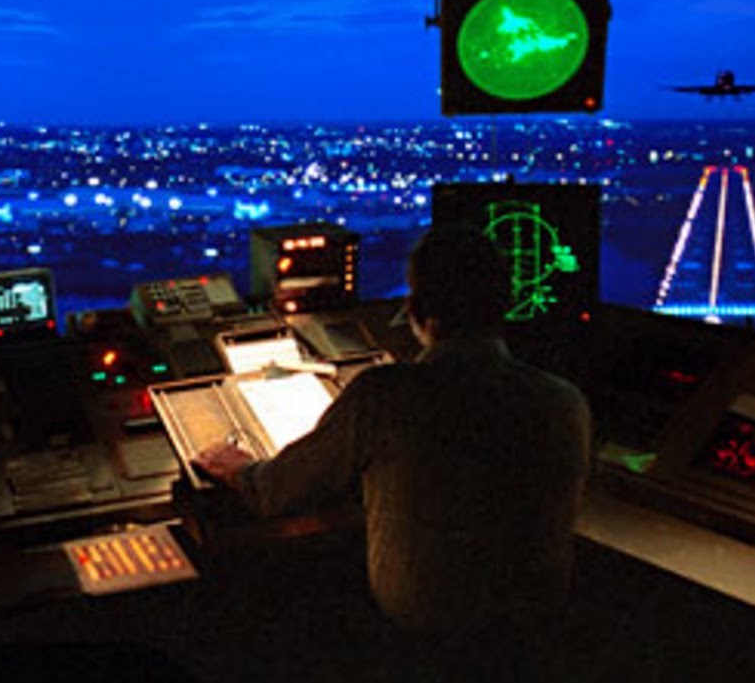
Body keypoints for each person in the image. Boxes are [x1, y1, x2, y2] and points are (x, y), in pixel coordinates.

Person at [194, 224, 590, 668]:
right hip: (533, 640)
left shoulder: (387, 395)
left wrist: (239, 469)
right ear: (503, 307)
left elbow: (274, 492)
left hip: (424, 636)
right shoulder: (564, 400)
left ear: (416, 310)